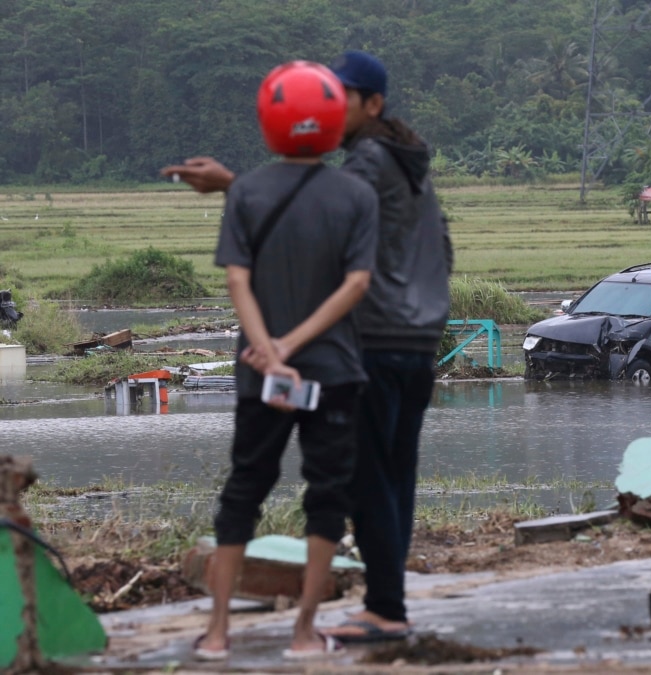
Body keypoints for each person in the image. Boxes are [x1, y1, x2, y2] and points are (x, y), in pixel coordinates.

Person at [165, 50, 452, 642]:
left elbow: (312, 210)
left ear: (371, 105)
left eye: (337, 94)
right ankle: (388, 603)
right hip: (420, 334)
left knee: (368, 480)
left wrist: (232, 186)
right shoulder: (403, 156)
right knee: (396, 474)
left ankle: (385, 609)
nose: (323, 102)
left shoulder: (368, 162)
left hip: (374, 337)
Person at [192, 60, 379, 661]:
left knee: (244, 486)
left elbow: (237, 279)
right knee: (326, 494)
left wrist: (270, 352)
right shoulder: (355, 193)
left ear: (267, 121)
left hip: (261, 371)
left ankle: (218, 633)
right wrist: (296, 347)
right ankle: (303, 632)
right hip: (334, 372)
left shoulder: (245, 191)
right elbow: (355, 287)